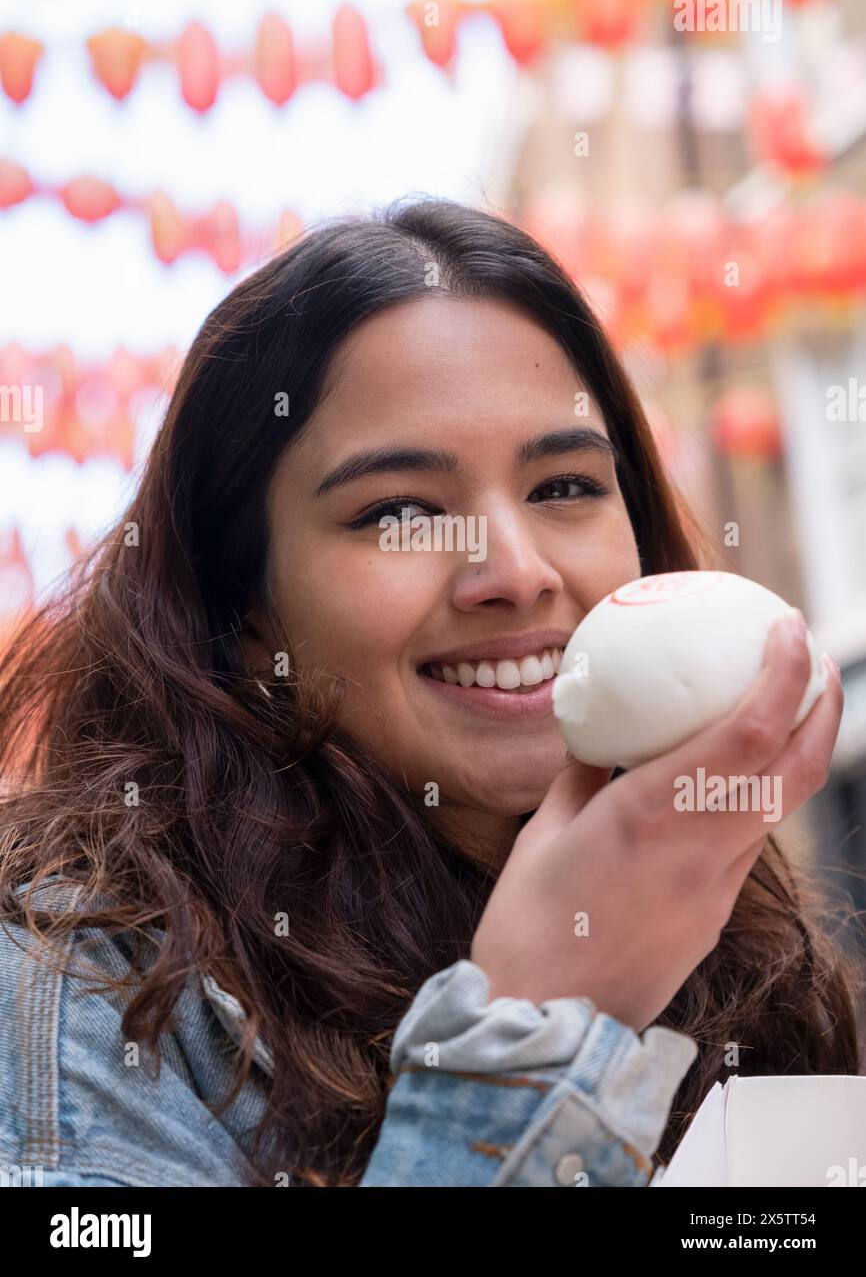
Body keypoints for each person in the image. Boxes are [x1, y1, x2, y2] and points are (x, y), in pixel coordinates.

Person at [0, 198, 860, 1188]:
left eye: (563, 486)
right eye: (400, 511)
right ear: (241, 612)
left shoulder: (745, 960)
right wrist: (534, 1034)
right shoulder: (86, 987)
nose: (516, 569)